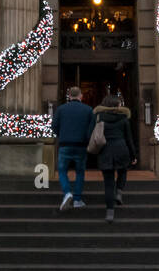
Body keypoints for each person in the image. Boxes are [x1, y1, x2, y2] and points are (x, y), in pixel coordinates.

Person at [51, 87, 95, 211]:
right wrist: (86, 139)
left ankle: (67, 192)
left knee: (62, 170)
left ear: (69, 96)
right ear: (81, 96)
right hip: (81, 145)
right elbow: (91, 128)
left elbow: (54, 126)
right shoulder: (88, 110)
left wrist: (63, 135)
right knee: (80, 172)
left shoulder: (61, 109)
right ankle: (77, 199)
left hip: (65, 144)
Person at [94, 95, 136, 223]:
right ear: (117, 105)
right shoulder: (124, 119)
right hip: (121, 149)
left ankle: (110, 212)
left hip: (105, 150)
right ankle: (119, 192)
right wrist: (133, 155)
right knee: (123, 172)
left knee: (108, 183)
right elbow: (129, 139)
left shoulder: (99, 118)